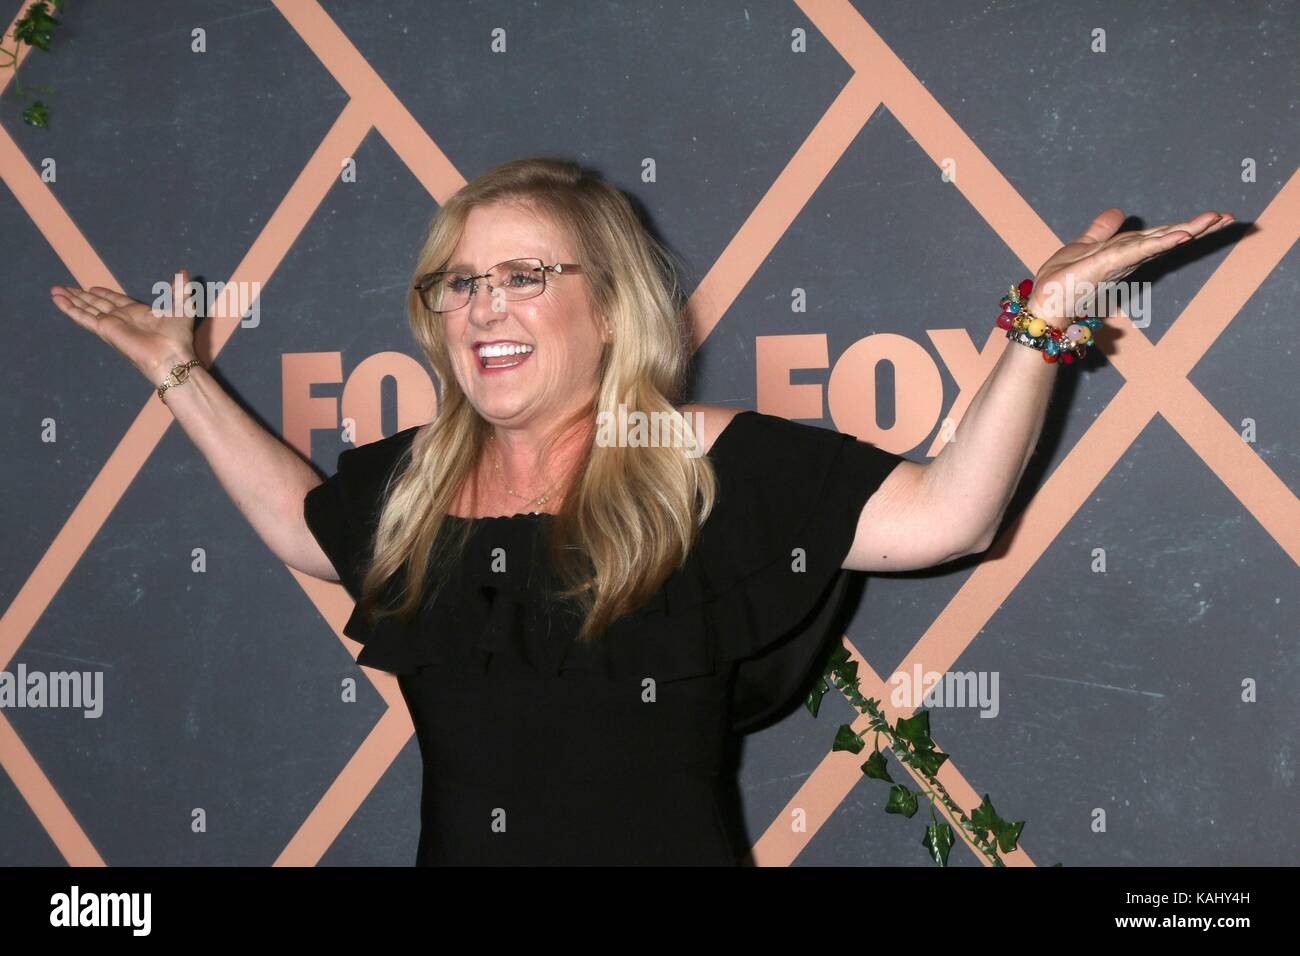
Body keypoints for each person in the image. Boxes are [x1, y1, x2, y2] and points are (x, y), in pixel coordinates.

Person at [50, 157, 1233, 865]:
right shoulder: (415, 478)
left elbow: (945, 517)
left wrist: (1039, 323)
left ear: (609, 308)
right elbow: (302, 523)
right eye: (460, 280)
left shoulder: (669, 451)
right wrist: (180, 373)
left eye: (524, 274)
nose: (482, 304)